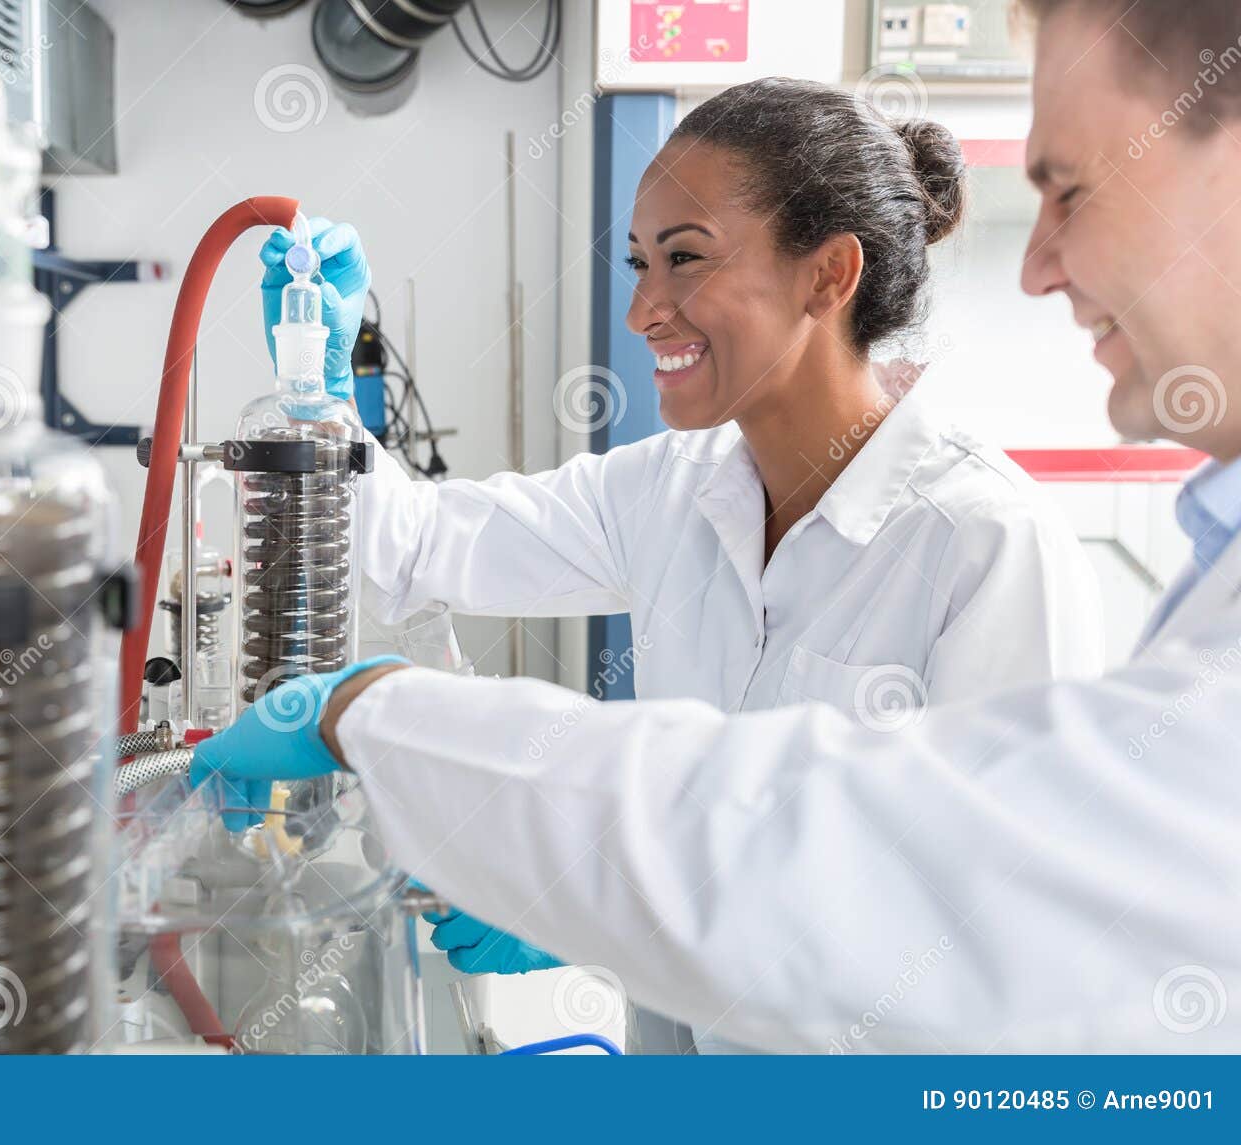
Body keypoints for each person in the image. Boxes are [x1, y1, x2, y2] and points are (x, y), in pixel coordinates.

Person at [198, 0, 1241, 1050]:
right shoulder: (670, 486)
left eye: (685, 258)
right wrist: (316, 399)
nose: (643, 309)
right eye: (637, 264)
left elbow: (971, 933)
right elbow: (421, 544)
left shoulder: (983, 544)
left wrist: (570, 886)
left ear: (828, 274)